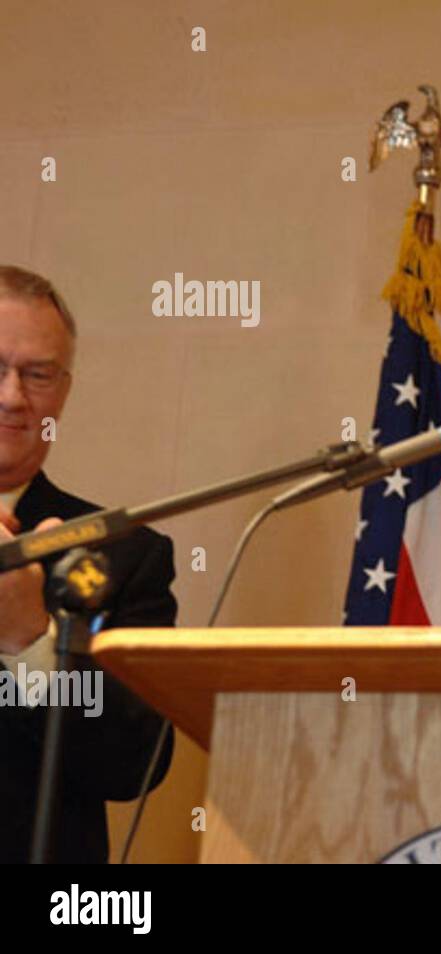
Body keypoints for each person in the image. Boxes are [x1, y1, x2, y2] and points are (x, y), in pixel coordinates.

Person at [0, 265, 177, 863]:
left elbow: (134, 764)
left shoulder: (124, 553)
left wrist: (32, 645)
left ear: (65, 393)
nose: (11, 396)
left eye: (37, 375)